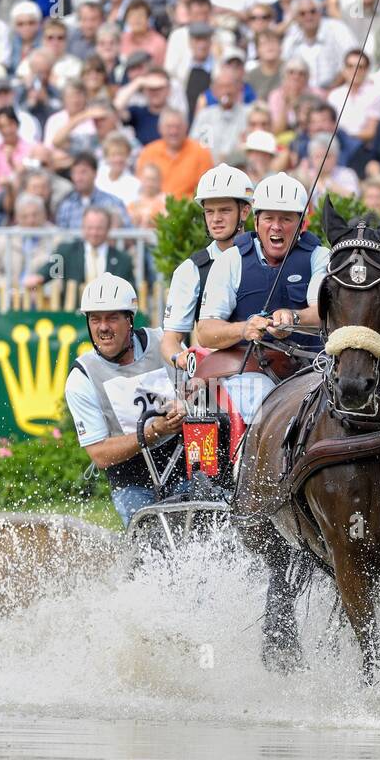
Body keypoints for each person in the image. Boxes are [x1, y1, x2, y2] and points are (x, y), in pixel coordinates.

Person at [196, 172, 328, 423]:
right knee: (262, 397)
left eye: (286, 219)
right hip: (251, 374)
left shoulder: (320, 256)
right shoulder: (231, 260)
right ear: (256, 222)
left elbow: (323, 311)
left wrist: (293, 318)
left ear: (302, 224)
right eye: (268, 218)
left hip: (314, 369)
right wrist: (245, 329)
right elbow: (206, 331)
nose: (276, 226)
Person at [64, 273, 185, 528]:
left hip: (184, 465)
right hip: (132, 480)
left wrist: (188, 399)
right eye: (95, 319)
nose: (103, 327)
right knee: (152, 545)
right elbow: (99, 454)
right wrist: (154, 431)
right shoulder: (81, 377)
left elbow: (200, 390)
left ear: (129, 320)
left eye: (112, 318)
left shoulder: (164, 343)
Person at [161, 165, 254, 369]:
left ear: (245, 211)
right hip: (214, 379)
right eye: (209, 211)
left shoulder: (267, 257)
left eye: (225, 210)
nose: (216, 219)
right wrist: (180, 358)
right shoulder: (191, 269)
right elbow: (171, 339)